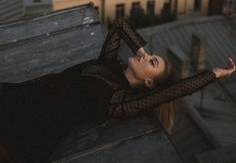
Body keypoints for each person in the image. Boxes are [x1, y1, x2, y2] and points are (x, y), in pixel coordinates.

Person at [0, 18, 235, 163]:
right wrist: (141, 50)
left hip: (32, 128)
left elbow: (175, 90)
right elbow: (120, 26)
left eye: (152, 62)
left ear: (150, 85)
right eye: (151, 55)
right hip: (22, 95)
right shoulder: (109, 62)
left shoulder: (120, 101)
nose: (145, 56)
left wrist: (215, 73)